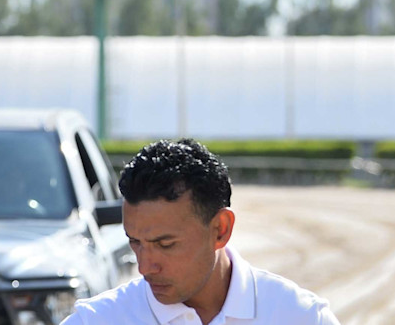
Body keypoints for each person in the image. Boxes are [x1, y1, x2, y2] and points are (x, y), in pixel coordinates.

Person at [62, 138, 340, 325]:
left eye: (165, 244)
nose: (145, 266)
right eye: (135, 242)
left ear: (220, 230)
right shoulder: (97, 320)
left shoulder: (301, 317)